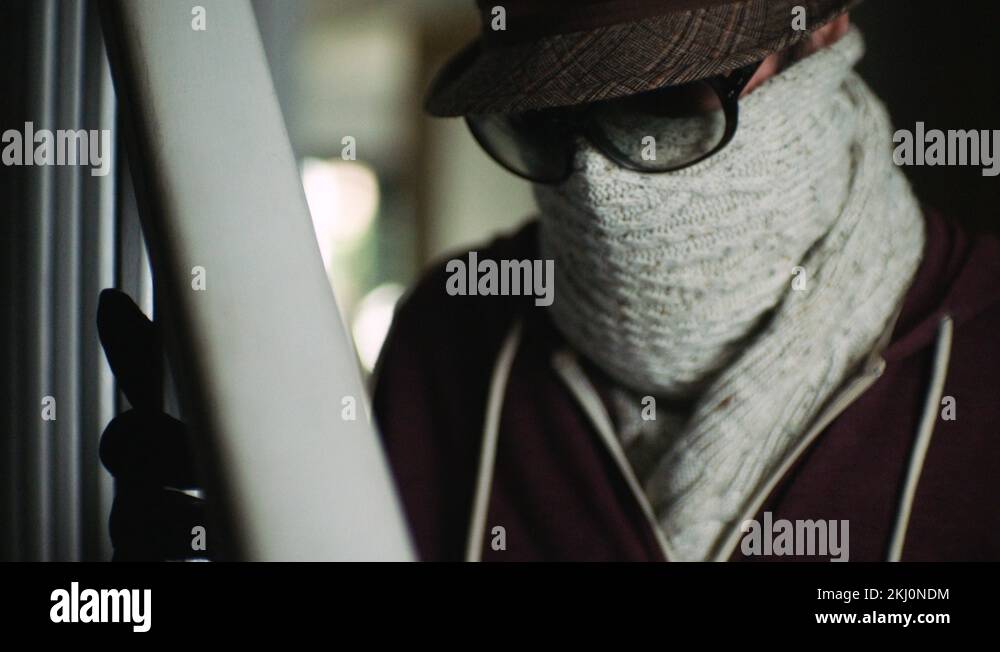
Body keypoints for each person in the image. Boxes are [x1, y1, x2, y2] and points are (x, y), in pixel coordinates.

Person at [99, 0, 1000, 562]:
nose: (605, 188)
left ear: (822, 28)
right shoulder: (446, 344)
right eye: (544, 124)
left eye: (665, 102)